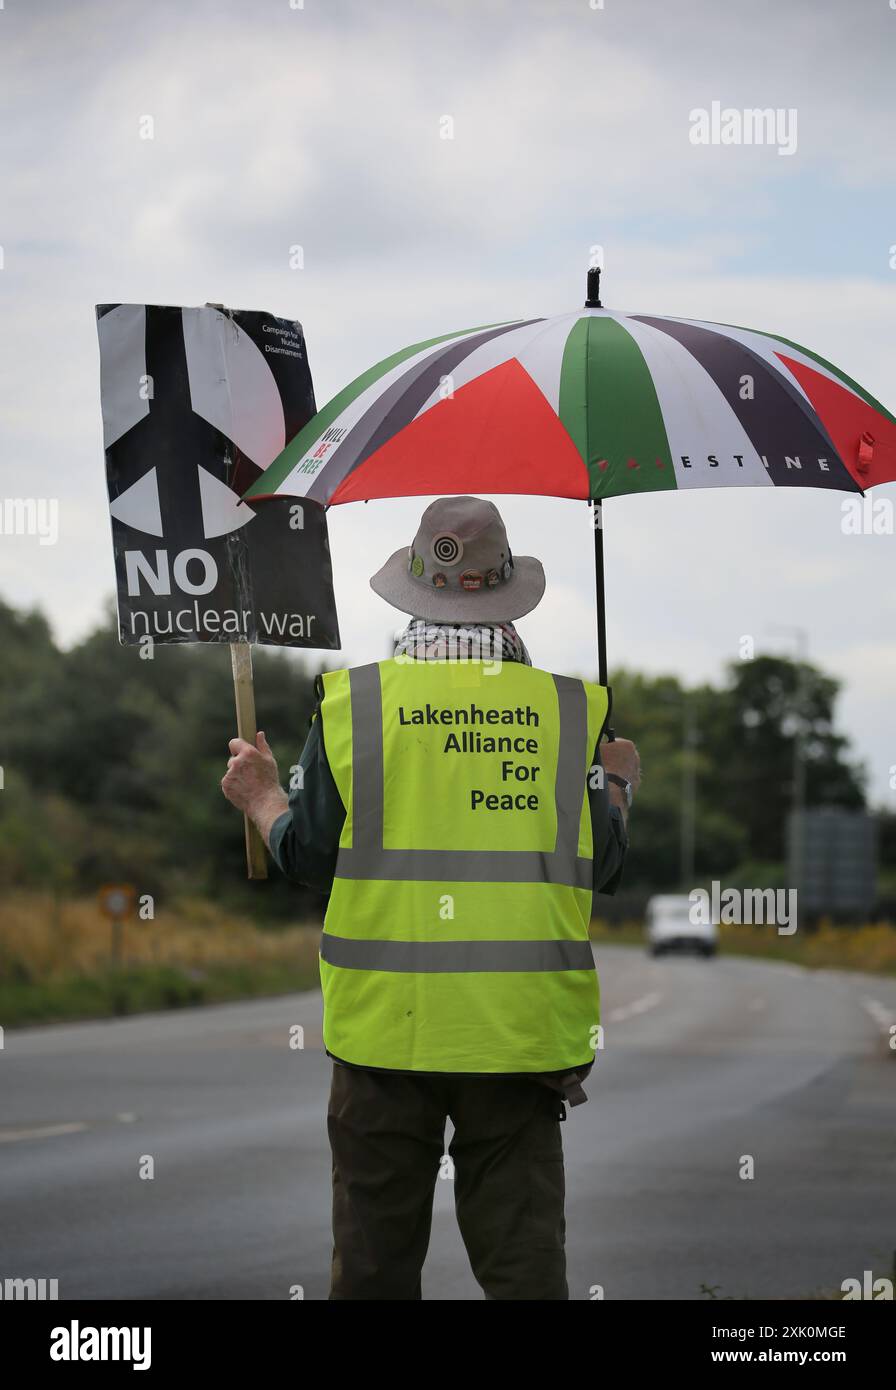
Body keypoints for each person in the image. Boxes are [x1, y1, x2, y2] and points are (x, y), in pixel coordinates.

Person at [221, 495, 640, 1301]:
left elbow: (308, 852)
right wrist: (615, 778)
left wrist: (262, 799)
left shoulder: (353, 705)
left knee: (374, 1267)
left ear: (414, 591)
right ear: (509, 594)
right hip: (516, 1038)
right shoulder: (569, 712)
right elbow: (606, 865)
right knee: (523, 1270)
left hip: (384, 1031)